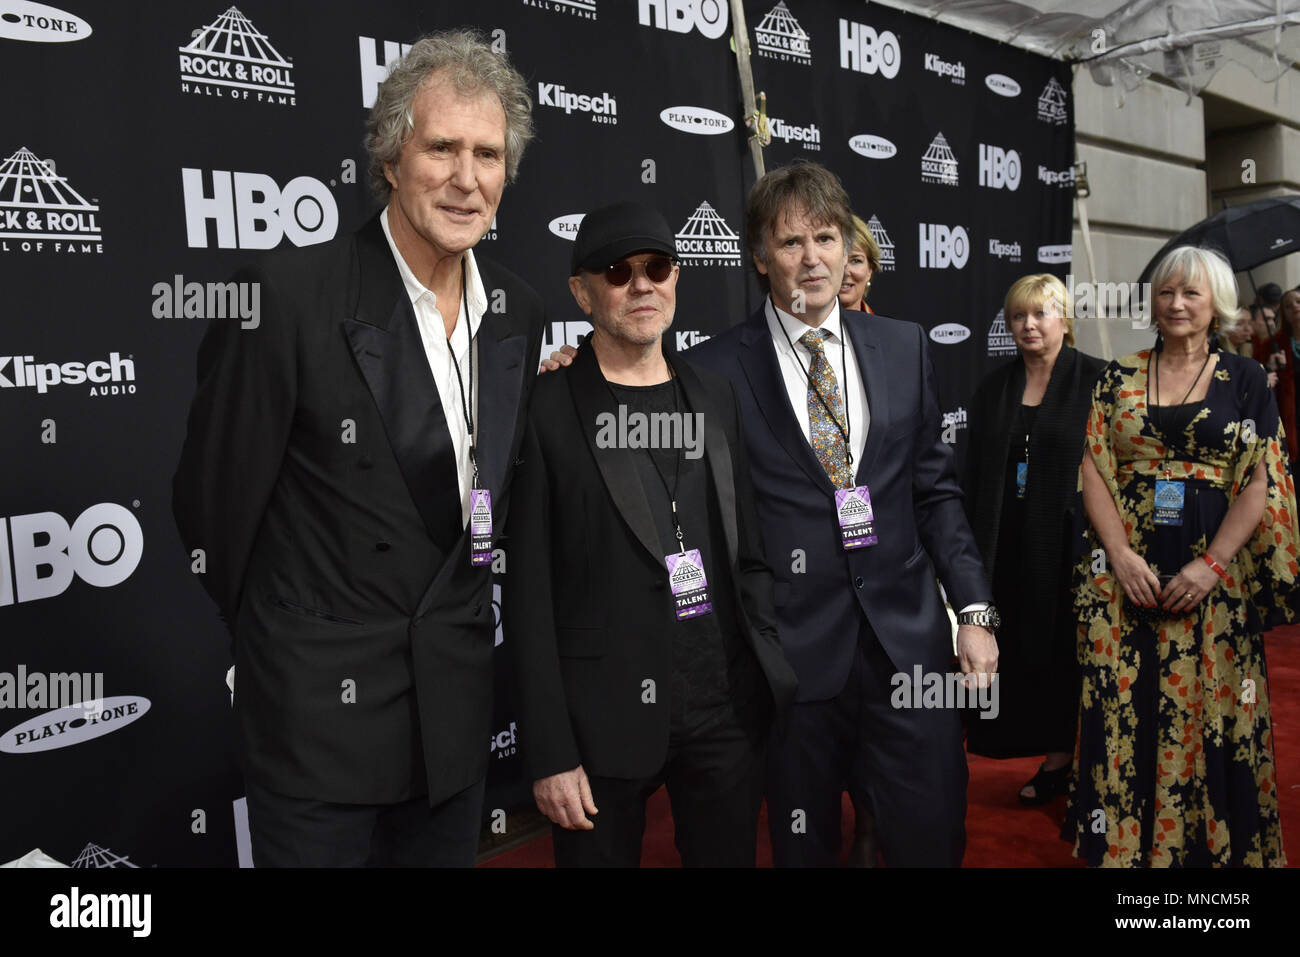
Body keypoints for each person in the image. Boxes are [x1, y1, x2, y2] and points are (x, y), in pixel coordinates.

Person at [171, 30, 545, 866]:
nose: (465, 177)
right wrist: (285, 650)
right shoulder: (289, 296)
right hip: (315, 734)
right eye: (440, 147)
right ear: (390, 157)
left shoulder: (517, 311)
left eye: (487, 154)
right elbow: (211, 511)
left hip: (452, 727)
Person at [684, 161, 998, 867]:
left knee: (931, 834)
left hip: (908, 647)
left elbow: (935, 493)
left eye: (827, 238)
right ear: (760, 256)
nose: (813, 257)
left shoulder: (903, 346)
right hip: (793, 665)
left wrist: (974, 612)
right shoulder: (712, 371)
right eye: (791, 242)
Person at [504, 202, 797, 867]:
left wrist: (761, 668)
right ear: (582, 292)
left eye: (657, 267)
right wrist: (551, 753)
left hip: (724, 715)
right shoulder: (545, 409)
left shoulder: (715, 395)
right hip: (598, 729)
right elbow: (527, 599)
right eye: (618, 271)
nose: (641, 285)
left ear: (676, 278)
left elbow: (748, 549)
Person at [1066, 245, 1297, 867]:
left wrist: (1212, 564)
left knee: (1214, 714)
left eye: (1191, 293)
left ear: (1215, 303)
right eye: (1166, 292)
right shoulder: (1117, 374)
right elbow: (1093, 464)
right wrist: (1118, 554)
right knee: (1126, 711)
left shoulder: (1245, 380)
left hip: (1215, 590)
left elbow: (1261, 481)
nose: (1175, 304)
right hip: (1124, 585)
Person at [962, 275, 1106, 804]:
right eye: (1018, 316)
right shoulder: (993, 388)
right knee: (1021, 648)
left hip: (1074, 548)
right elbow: (973, 473)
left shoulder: (1097, 380)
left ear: (1063, 319)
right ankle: (1044, 752)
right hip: (1005, 546)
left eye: (1040, 314)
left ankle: (1065, 762)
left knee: (1068, 653)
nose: (1028, 325)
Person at [837, 213, 881, 314]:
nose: (845, 272)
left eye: (856, 260)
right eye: (838, 260)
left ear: (870, 270)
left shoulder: (887, 329)